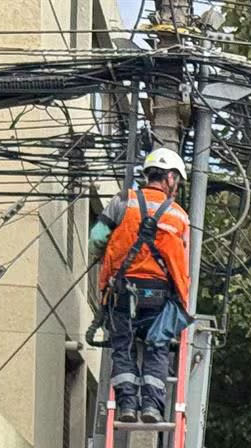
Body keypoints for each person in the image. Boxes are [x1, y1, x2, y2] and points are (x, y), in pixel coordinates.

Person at [92, 148, 191, 423]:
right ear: (170, 177)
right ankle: (151, 407)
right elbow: (181, 264)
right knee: (157, 347)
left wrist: (106, 255)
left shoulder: (123, 202)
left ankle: (126, 405)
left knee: (122, 346)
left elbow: (96, 239)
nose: (177, 187)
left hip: (121, 291)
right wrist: (181, 303)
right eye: (177, 181)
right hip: (159, 296)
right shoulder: (179, 216)